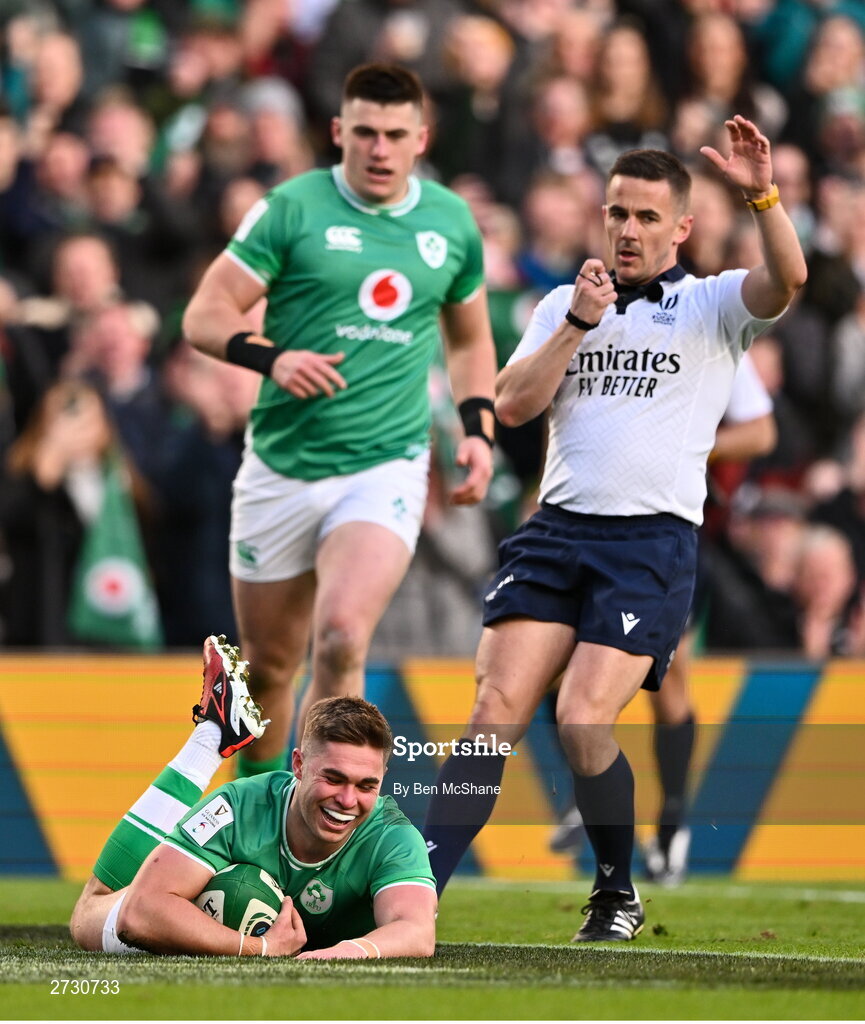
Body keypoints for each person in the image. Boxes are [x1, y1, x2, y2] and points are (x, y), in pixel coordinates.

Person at [421, 115, 807, 941]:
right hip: (556, 531)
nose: (627, 230)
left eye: (644, 217)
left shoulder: (709, 305)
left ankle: (613, 890)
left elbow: (787, 281)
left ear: (681, 227)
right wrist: (576, 324)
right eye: (615, 214)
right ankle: (417, 891)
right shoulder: (563, 304)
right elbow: (512, 404)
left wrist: (765, 198)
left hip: (648, 544)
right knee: (492, 715)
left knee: (583, 719)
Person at [181, 62, 496, 777]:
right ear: (337, 133)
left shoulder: (449, 223)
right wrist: (272, 358)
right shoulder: (290, 208)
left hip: (384, 463)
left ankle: (321, 840)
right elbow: (202, 315)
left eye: (393, 135)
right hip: (282, 466)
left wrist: (476, 430)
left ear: (421, 137)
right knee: (265, 673)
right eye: (364, 134)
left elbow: (471, 339)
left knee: (344, 636)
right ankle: (256, 831)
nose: (378, 150)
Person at [551, 350, 778, 886]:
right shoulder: (601, 324)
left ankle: (672, 828)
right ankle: (591, 787)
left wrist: (695, 445)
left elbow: (761, 431)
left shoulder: (712, 325)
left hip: (667, 537)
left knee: (669, 681)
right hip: (586, 526)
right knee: (556, 663)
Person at [69, 635, 437, 959]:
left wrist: (343, 952)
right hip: (228, 923)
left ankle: (214, 736)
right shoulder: (238, 806)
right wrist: (258, 948)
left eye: (365, 785)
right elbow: (140, 913)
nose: (347, 799)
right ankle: (209, 740)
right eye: (334, 778)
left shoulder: (393, 835)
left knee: (97, 911)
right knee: (89, 913)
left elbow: (417, 932)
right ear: (298, 764)